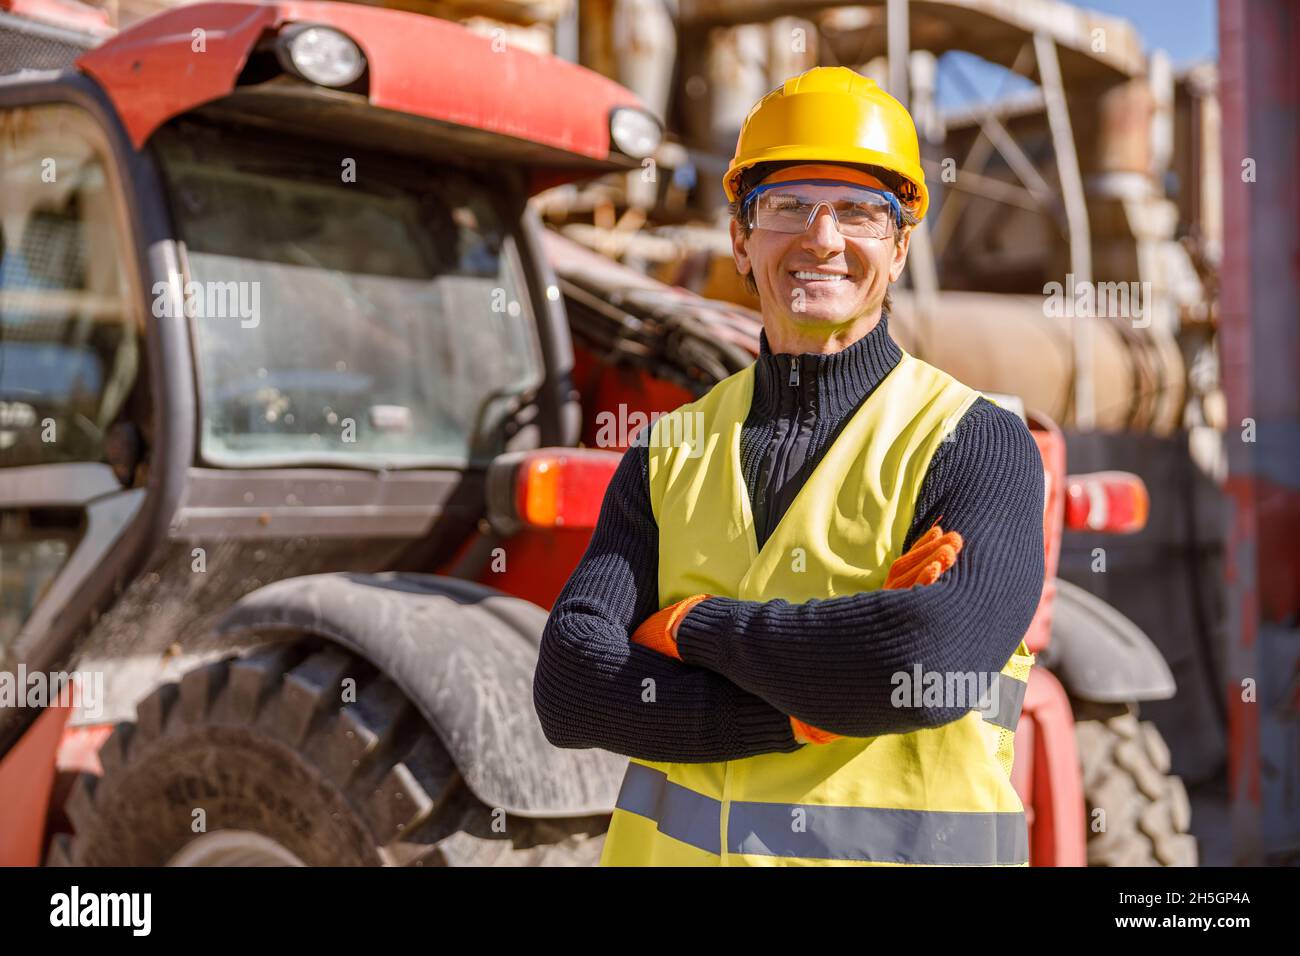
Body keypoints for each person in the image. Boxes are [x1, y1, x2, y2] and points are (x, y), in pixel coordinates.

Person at [534, 66, 1045, 866]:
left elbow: (926, 660)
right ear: (741, 238)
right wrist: (801, 706)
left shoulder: (973, 440)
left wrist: (691, 626)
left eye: (859, 213)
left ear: (900, 245)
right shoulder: (669, 449)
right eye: (787, 207)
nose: (822, 239)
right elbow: (569, 687)